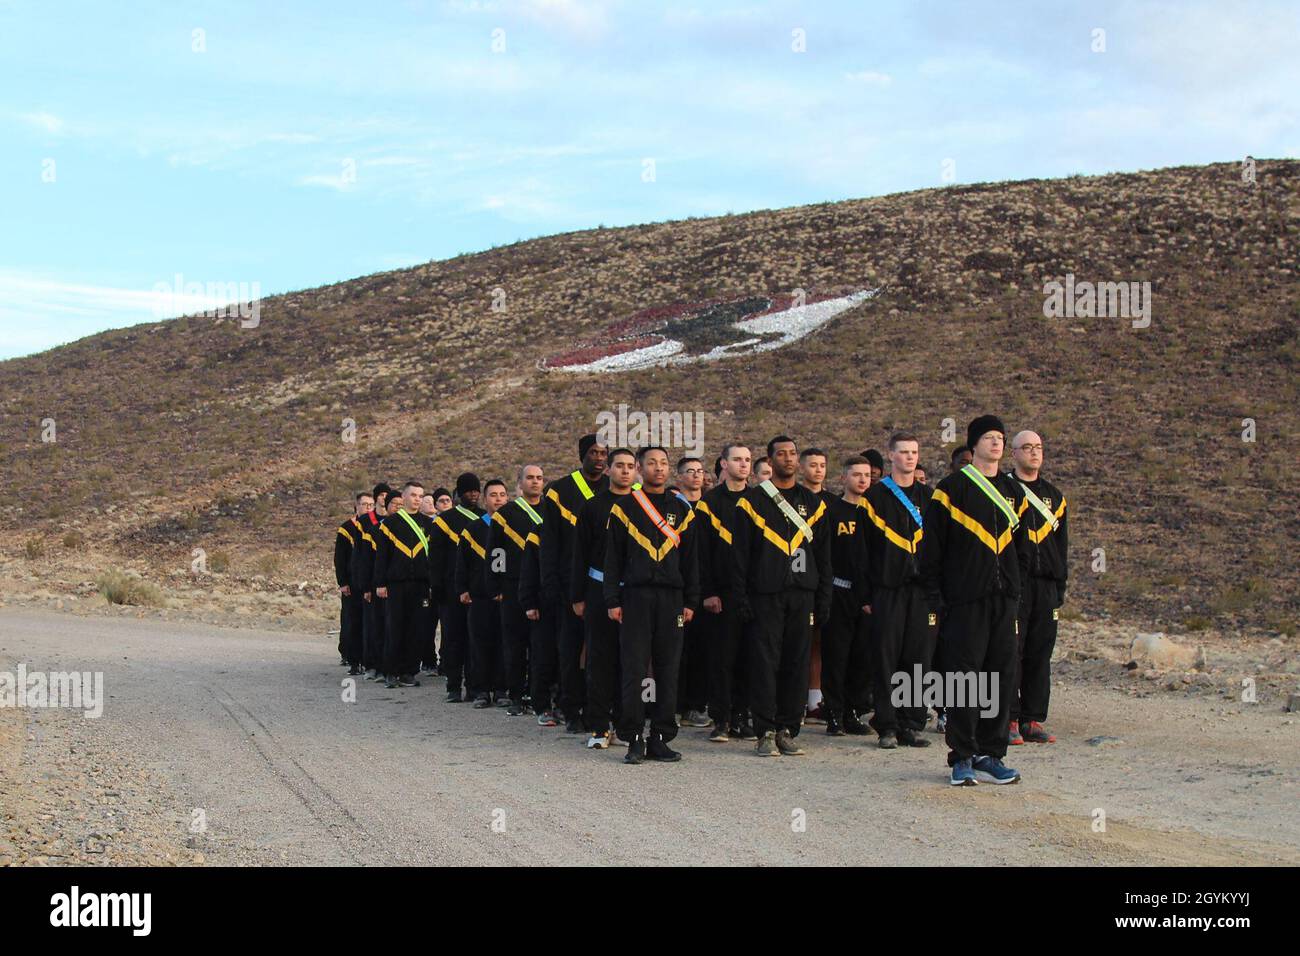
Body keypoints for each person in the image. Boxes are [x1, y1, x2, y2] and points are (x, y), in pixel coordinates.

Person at [920, 416, 1026, 786]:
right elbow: (932, 547)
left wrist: (1017, 587)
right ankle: (962, 755)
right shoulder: (951, 489)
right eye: (989, 438)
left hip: (1004, 599)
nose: (996, 444)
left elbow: (1023, 547)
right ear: (974, 445)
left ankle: (991, 753)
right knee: (963, 678)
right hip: (965, 601)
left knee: (1000, 676)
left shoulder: (1014, 492)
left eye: (1000, 438)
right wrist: (936, 597)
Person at [732, 436, 832, 757]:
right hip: (765, 596)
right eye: (781, 454)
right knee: (764, 663)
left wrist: (823, 598)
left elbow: (824, 558)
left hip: (802, 596)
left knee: (796, 663)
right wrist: (741, 599)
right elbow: (739, 557)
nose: (788, 459)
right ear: (770, 460)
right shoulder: (752, 502)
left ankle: (789, 728)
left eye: (792, 454)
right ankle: (764, 730)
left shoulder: (815, 504)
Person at [604, 446, 699, 764]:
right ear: (640, 470)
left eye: (663, 463)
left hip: (671, 599)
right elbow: (612, 559)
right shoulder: (624, 508)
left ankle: (661, 736)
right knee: (633, 668)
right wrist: (612, 599)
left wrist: (691, 600)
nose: (658, 468)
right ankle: (633, 738)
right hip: (635, 597)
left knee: (668, 669)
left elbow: (691, 561)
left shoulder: (682, 509)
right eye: (651, 463)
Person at [863, 432, 934, 749]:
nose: (910, 457)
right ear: (891, 455)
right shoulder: (875, 497)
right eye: (903, 452)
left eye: (914, 452)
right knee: (886, 658)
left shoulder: (930, 498)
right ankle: (887, 724)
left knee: (917, 658)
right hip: (887, 589)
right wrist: (865, 595)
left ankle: (912, 723)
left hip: (919, 591)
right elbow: (863, 551)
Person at [540, 434, 609, 733]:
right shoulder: (559, 491)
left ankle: (602, 709)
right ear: (582, 455)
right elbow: (549, 544)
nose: (600, 458)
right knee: (570, 653)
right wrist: (552, 585)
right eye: (594, 452)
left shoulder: (617, 488)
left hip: (607, 585)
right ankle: (571, 709)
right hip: (570, 586)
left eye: (604, 453)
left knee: (603, 653)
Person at [572, 448, 636, 748]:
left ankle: (626, 727)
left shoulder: (643, 506)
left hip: (635, 593)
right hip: (597, 590)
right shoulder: (592, 507)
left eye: (630, 466)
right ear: (608, 470)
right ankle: (599, 726)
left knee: (631, 662)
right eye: (619, 466)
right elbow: (579, 555)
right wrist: (578, 596)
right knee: (599, 660)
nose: (625, 471)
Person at [1008, 430, 1067, 746]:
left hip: (1046, 586)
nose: (1033, 452)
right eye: (1026, 447)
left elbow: (1062, 544)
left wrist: (1060, 585)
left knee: (1039, 652)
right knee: (1011, 652)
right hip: (1016, 584)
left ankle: (1032, 718)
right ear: (1013, 453)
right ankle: (1010, 718)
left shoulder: (1055, 497)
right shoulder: (1004, 491)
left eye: (1038, 447)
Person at [697, 442, 755, 742]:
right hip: (720, 594)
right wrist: (707, 592)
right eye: (737, 459)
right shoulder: (710, 502)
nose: (743, 465)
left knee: (748, 657)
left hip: (751, 594)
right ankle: (720, 719)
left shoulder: (758, 500)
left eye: (747, 460)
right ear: (723, 463)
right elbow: (702, 552)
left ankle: (742, 717)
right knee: (722, 659)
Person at [820, 457, 873, 736]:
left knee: (862, 657)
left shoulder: (875, 512)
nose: (863, 480)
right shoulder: (831, 511)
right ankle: (834, 713)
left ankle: (855, 711)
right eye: (856, 475)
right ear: (844, 479)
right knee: (836, 656)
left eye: (867, 475)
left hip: (867, 597)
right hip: (839, 591)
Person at [491, 465, 546, 717]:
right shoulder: (506, 514)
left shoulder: (550, 511)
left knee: (541, 646)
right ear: (520, 483)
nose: (535, 482)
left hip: (543, 587)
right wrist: (497, 584)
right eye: (530, 478)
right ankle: (514, 695)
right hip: (512, 587)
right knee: (514, 644)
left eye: (539, 478)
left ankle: (539, 695)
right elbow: (496, 552)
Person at [373, 480, 437, 690]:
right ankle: (391, 671)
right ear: (404, 497)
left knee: (416, 628)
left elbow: (432, 558)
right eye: (413, 495)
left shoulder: (428, 524)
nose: (417, 499)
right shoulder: (390, 524)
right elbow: (381, 557)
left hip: (419, 585)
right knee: (394, 627)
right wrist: (380, 583)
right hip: (396, 584)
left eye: (420, 496)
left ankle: (409, 671)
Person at [458, 479, 510, 708]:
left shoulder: (513, 526)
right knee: (479, 643)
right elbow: (462, 563)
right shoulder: (473, 529)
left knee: (504, 643)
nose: (498, 499)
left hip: (507, 596)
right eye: (493, 495)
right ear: (484, 499)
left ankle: (501, 689)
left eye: (502, 495)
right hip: (479, 597)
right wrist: (463, 589)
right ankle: (480, 690)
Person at [429, 475, 481, 702]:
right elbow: (436, 558)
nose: (473, 495)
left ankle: (473, 686)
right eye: (469, 491)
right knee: (453, 638)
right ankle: (452, 686)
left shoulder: (484, 519)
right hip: (450, 591)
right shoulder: (444, 521)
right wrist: (436, 586)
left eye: (476, 491)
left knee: (475, 639)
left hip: (477, 589)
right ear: (459, 494)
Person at [674, 456, 710, 729]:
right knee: (676, 651)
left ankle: (697, 705)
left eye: (700, 471)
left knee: (701, 650)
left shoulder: (710, 507)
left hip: (705, 588)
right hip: (677, 586)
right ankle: (675, 704)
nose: (696, 476)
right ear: (679, 477)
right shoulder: (673, 506)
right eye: (690, 471)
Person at [799, 447, 830, 722]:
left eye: (822, 465)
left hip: (825, 581)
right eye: (813, 465)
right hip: (796, 582)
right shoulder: (795, 499)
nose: (818, 470)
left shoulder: (831, 502)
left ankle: (817, 700)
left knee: (821, 644)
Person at [353, 483, 391, 681]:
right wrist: (365, 585)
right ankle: (372, 664)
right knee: (373, 625)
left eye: (388, 495)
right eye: (382, 495)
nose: (385, 499)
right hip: (372, 581)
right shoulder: (365, 521)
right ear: (376, 498)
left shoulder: (395, 520)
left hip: (390, 582)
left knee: (389, 625)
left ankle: (387, 666)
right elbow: (360, 556)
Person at [334, 492, 372, 674]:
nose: (368, 508)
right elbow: (340, 559)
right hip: (351, 583)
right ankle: (351, 657)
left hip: (368, 583)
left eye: (371, 504)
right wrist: (343, 582)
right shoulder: (347, 528)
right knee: (352, 621)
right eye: (364, 504)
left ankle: (368, 658)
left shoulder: (375, 526)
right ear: (356, 506)